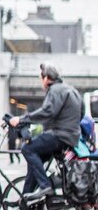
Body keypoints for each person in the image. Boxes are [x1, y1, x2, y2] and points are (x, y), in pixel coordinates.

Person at [9, 63, 84, 202]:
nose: (41, 81)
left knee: (27, 149)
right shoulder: (72, 90)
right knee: (35, 162)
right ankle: (25, 200)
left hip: (60, 135)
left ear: (47, 78)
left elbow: (47, 112)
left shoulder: (55, 90)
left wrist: (21, 119)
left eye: (41, 78)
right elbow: (82, 113)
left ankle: (45, 186)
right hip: (70, 136)